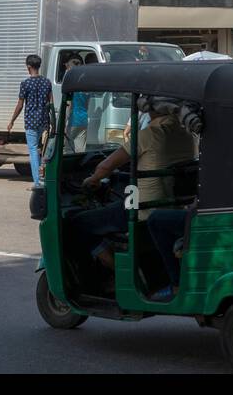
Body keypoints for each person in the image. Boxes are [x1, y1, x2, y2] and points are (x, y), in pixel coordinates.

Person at [81, 95, 199, 301]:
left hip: (143, 209)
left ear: (152, 110)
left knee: (79, 224)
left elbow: (105, 167)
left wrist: (91, 180)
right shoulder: (188, 134)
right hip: (175, 205)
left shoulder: (149, 135)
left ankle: (121, 274)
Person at [6, 54, 52, 186]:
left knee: (33, 150)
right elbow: (51, 102)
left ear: (29, 67)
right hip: (44, 122)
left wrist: (12, 121)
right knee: (42, 150)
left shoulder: (25, 84)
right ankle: (44, 177)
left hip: (31, 122)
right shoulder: (47, 82)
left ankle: (37, 182)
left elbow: (20, 105)